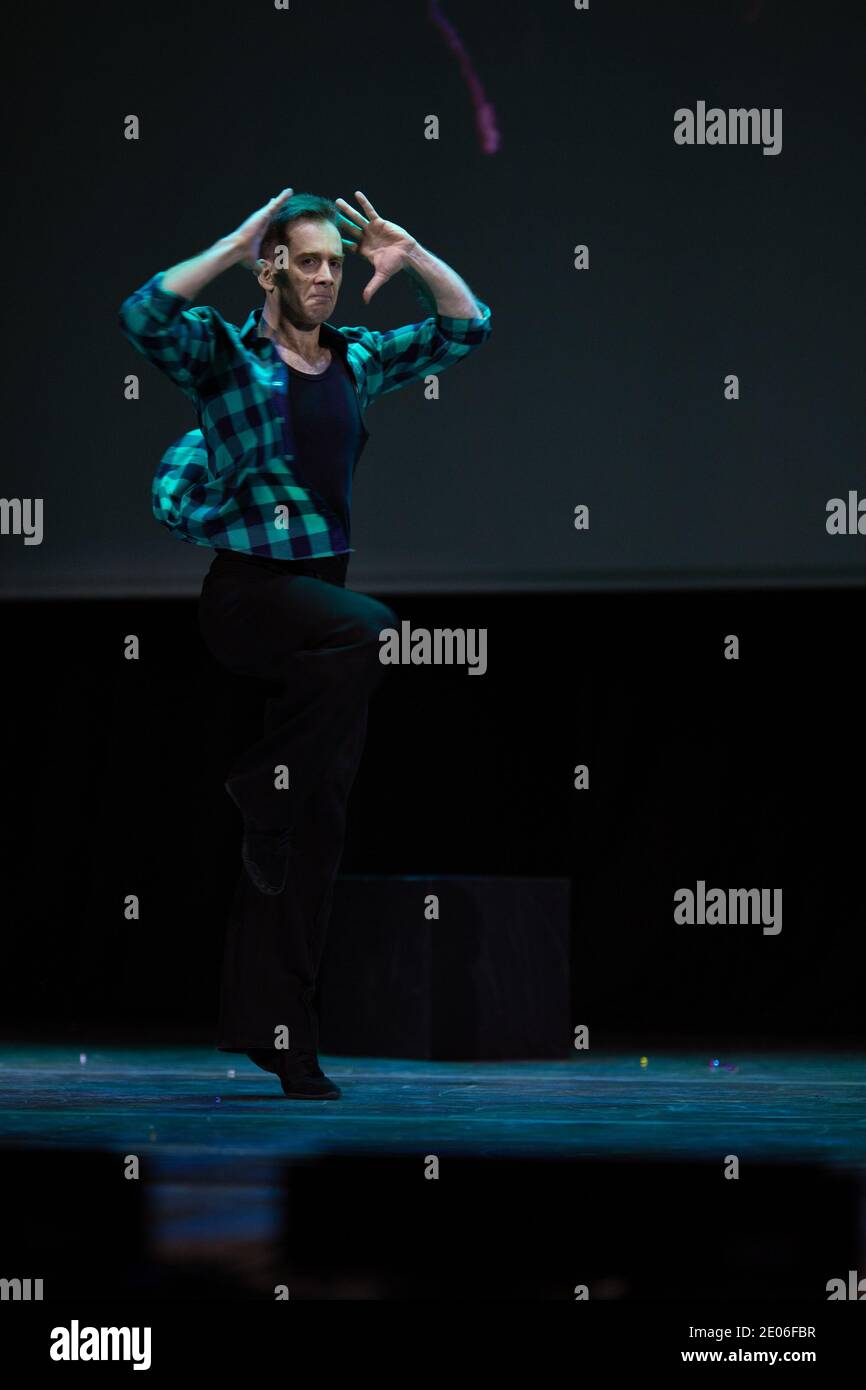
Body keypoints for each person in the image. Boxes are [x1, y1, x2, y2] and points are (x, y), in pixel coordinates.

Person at [119, 188, 492, 1099]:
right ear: (272, 270)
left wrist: (413, 253)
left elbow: (468, 325)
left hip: (322, 626)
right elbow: (146, 315)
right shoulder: (228, 359)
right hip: (251, 600)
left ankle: (282, 1035)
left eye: (335, 262)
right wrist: (234, 241)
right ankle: (257, 789)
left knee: (315, 826)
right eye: (307, 260)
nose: (325, 277)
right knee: (376, 630)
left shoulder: (357, 361)